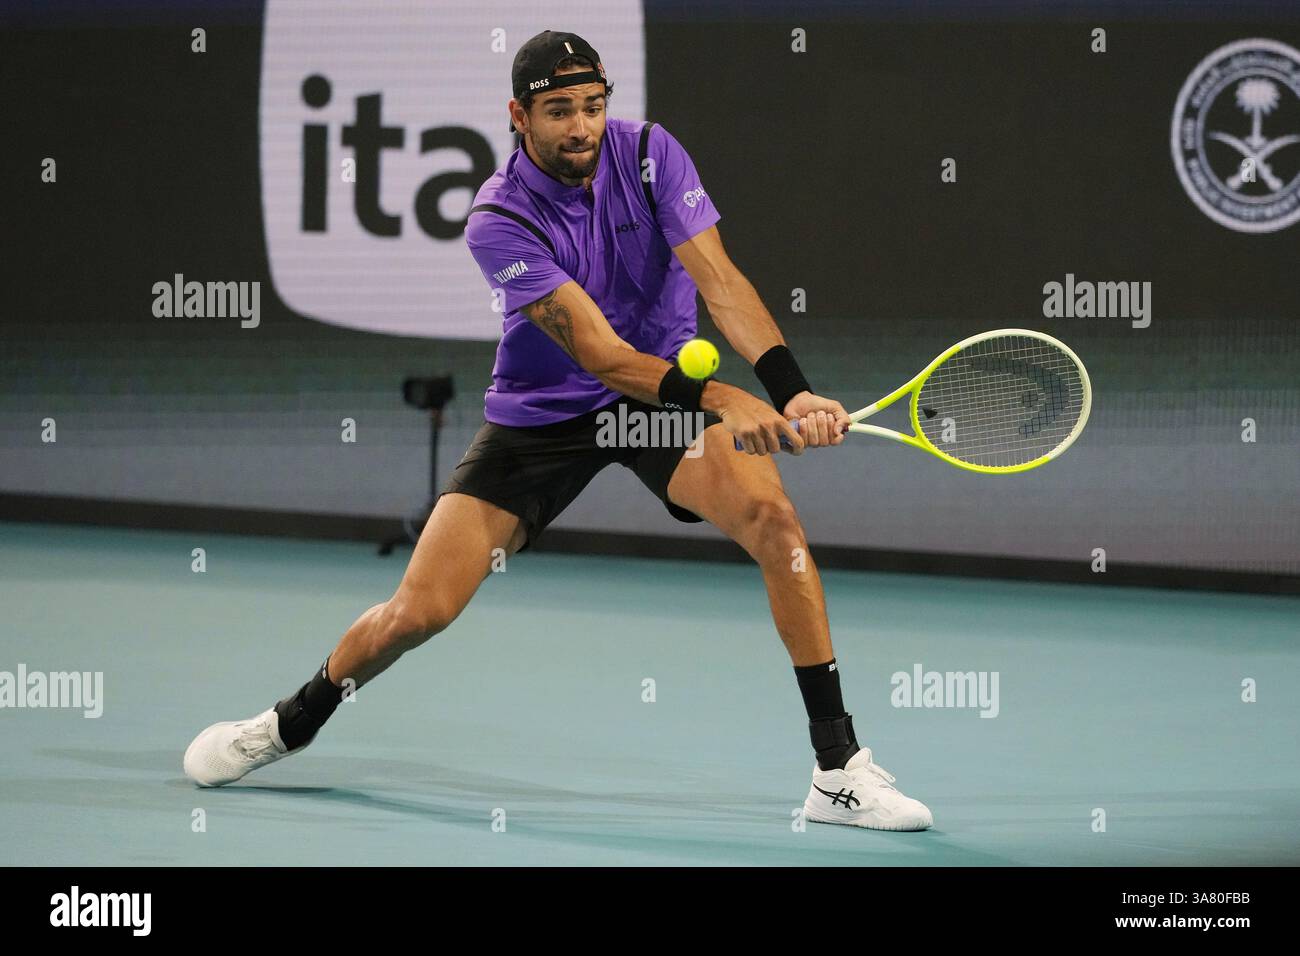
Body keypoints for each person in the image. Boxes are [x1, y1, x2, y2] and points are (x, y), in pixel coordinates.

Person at [183, 30, 932, 832]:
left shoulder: (651, 155)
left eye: (594, 107)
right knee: (419, 612)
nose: (582, 127)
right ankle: (290, 721)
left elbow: (721, 280)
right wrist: (722, 400)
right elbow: (604, 358)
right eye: (560, 110)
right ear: (520, 115)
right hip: (546, 414)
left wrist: (790, 390)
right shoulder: (497, 219)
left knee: (775, 522)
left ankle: (836, 769)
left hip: (662, 403)